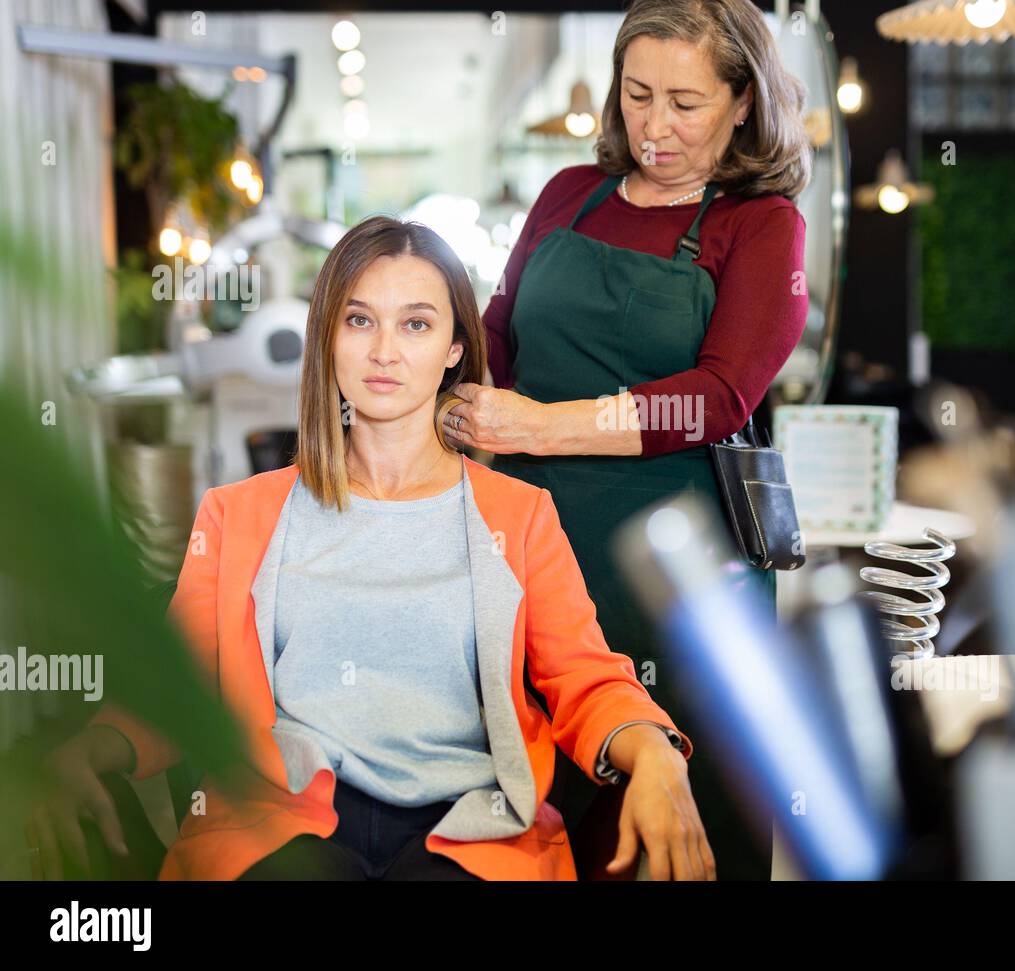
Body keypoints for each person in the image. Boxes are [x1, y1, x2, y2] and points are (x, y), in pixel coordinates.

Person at [25, 215, 714, 882]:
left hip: (467, 827)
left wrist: (655, 750)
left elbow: (585, 676)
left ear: (452, 348)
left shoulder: (519, 515)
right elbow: (176, 687)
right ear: (326, 334)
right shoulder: (239, 514)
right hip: (285, 823)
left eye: (416, 323)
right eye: (359, 320)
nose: (385, 350)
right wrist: (90, 746)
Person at [441, 0, 810, 880]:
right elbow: (493, 339)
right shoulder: (570, 192)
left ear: (742, 104)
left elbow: (718, 398)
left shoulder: (762, 226)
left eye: (687, 101)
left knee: (675, 821)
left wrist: (539, 426)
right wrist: (425, 375)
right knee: (534, 808)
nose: (655, 126)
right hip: (529, 552)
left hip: (678, 568)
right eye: (638, 95)